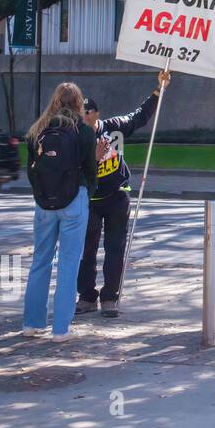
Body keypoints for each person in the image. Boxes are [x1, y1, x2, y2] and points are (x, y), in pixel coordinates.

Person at [76, 70, 169, 318]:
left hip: (116, 197)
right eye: (80, 115)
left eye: (88, 114)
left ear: (96, 115)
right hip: (90, 201)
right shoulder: (76, 138)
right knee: (86, 250)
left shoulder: (113, 128)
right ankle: (86, 296)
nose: (84, 118)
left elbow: (139, 117)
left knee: (115, 248)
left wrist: (158, 90)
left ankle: (109, 298)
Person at [22, 82, 98, 342]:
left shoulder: (37, 130)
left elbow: (30, 170)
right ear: (79, 103)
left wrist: (41, 193)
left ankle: (31, 323)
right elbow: (91, 171)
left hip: (44, 202)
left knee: (40, 262)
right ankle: (61, 329)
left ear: (54, 100)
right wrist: (86, 191)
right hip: (74, 199)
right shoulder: (84, 132)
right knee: (68, 264)